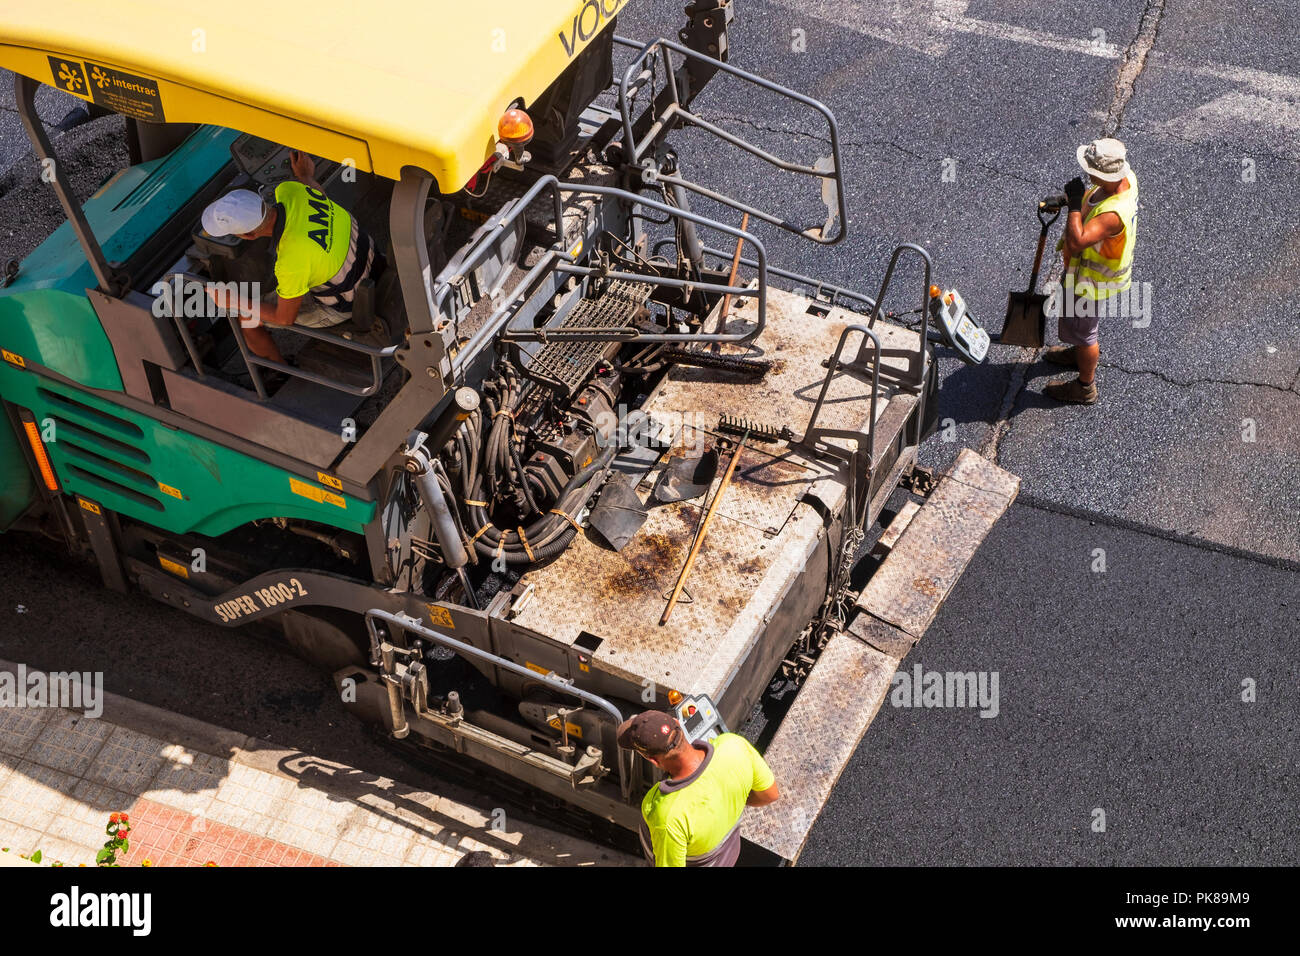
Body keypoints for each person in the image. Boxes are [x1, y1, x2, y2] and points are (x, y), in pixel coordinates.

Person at [199, 151, 383, 364]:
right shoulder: (291, 190)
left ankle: (278, 369)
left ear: (249, 235)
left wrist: (233, 300)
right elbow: (318, 195)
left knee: (246, 317)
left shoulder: (290, 262)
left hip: (350, 303)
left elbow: (284, 318)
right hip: (372, 264)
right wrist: (305, 176)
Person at [1043, 137, 1139, 405]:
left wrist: (1074, 204)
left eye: (1091, 170)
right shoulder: (1126, 178)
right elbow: (1095, 199)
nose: (1086, 173)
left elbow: (1077, 241)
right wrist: (1067, 200)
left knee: (1086, 334)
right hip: (1085, 276)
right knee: (1079, 327)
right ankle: (1078, 354)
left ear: (1104, 174)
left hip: (1091, 282)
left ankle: (1085, 386)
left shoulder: (1112, 215)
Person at [617, 710, 779, 867]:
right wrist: (726, 800)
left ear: (653, 760)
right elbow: (770, 795)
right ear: (678, 723)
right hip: (730, 854)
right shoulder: (733, 745)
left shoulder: (667, 814)